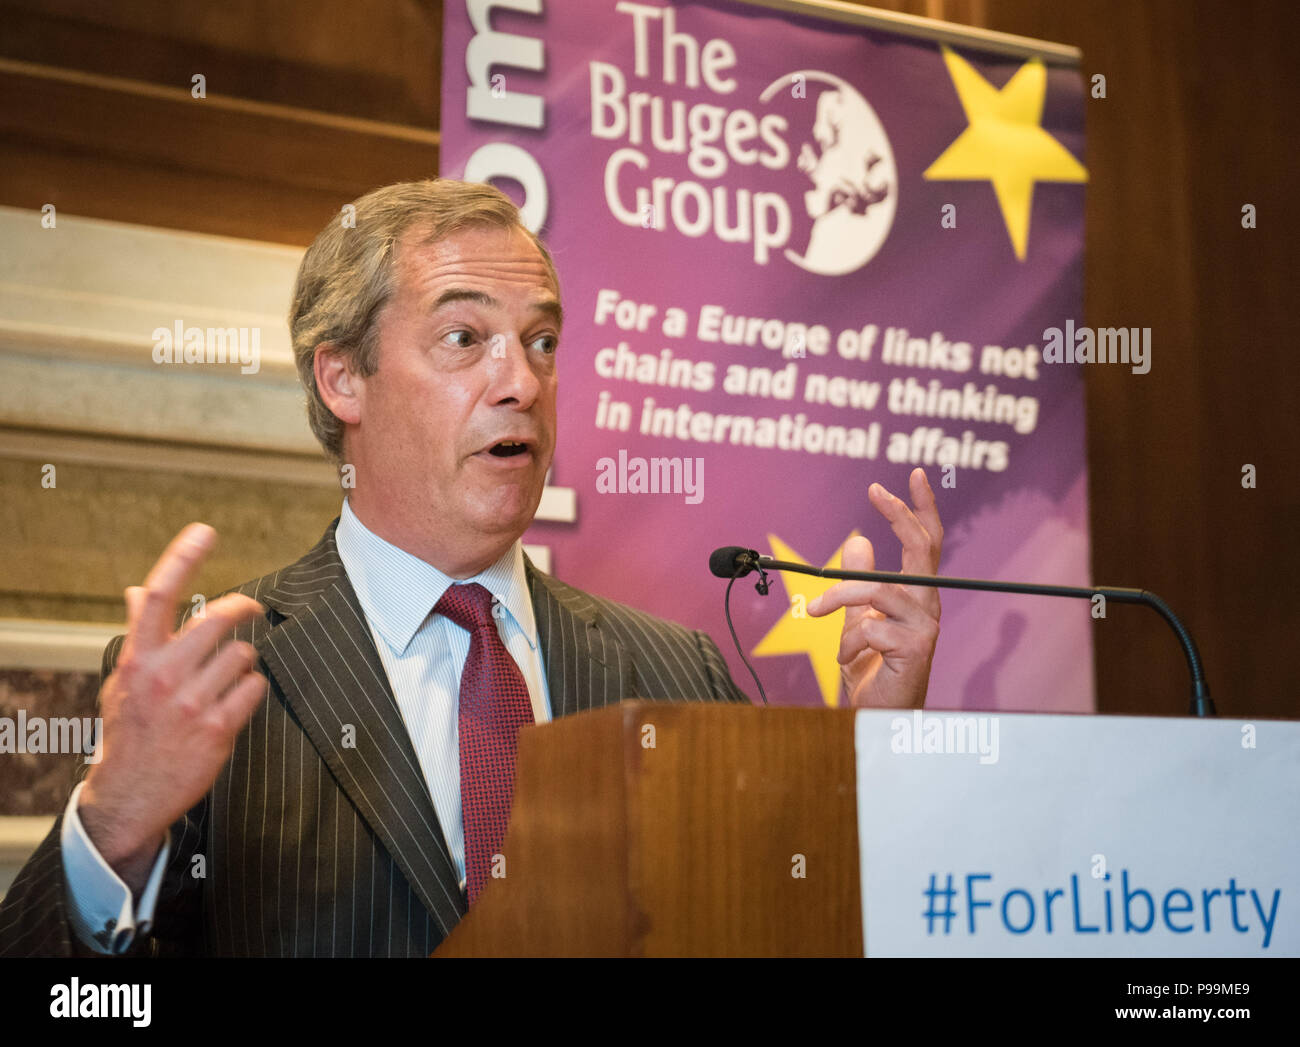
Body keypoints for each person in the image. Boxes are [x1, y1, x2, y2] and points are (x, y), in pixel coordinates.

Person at [0, 179, 943, 957]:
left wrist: (868, 758)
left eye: (541, 341)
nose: (522, 381)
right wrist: (115, 828)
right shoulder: (216, 676)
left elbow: (788, 932)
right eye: (464, 339)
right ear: (343, 378)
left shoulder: (675, 672)